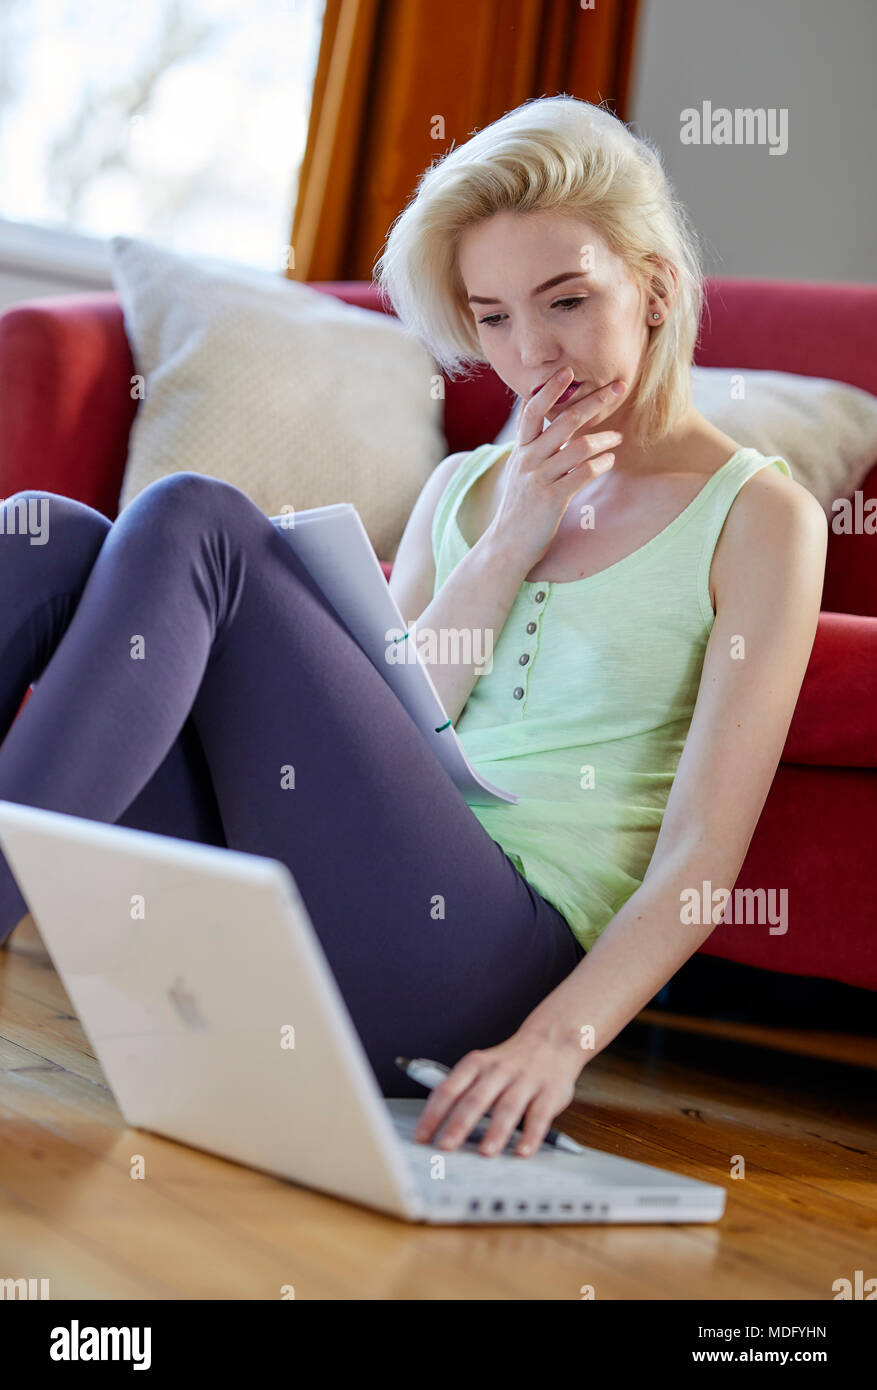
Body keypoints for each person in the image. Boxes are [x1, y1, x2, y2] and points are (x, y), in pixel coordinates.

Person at [0, 95, 826, 1162]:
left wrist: (552, 1047)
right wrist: (505, 543)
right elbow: (408, 721)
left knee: (192, 516)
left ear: (654, 286)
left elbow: (704, 854)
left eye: (567, 300)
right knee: (45, 535)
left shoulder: (761, 518)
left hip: (472, 966)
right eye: (492, 317)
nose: (532, 353)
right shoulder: (464, 488)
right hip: (323, 905)